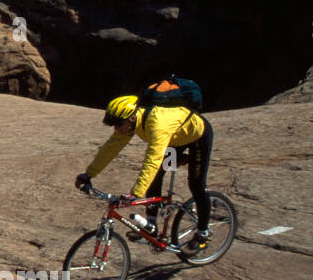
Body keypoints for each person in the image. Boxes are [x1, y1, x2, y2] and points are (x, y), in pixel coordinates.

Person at [74, 94, 214, 251]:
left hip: (197, 136)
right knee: (155, 179)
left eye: (118, 124)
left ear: (132, 118)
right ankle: (151, 226)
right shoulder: (130, 124)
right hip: (174, 140)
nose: (116, 128)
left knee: (196, 184)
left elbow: (153, 159)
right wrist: (89, 174)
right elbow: (110, 148)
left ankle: (203, 233)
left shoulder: (157, 124)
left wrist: (135, 193)